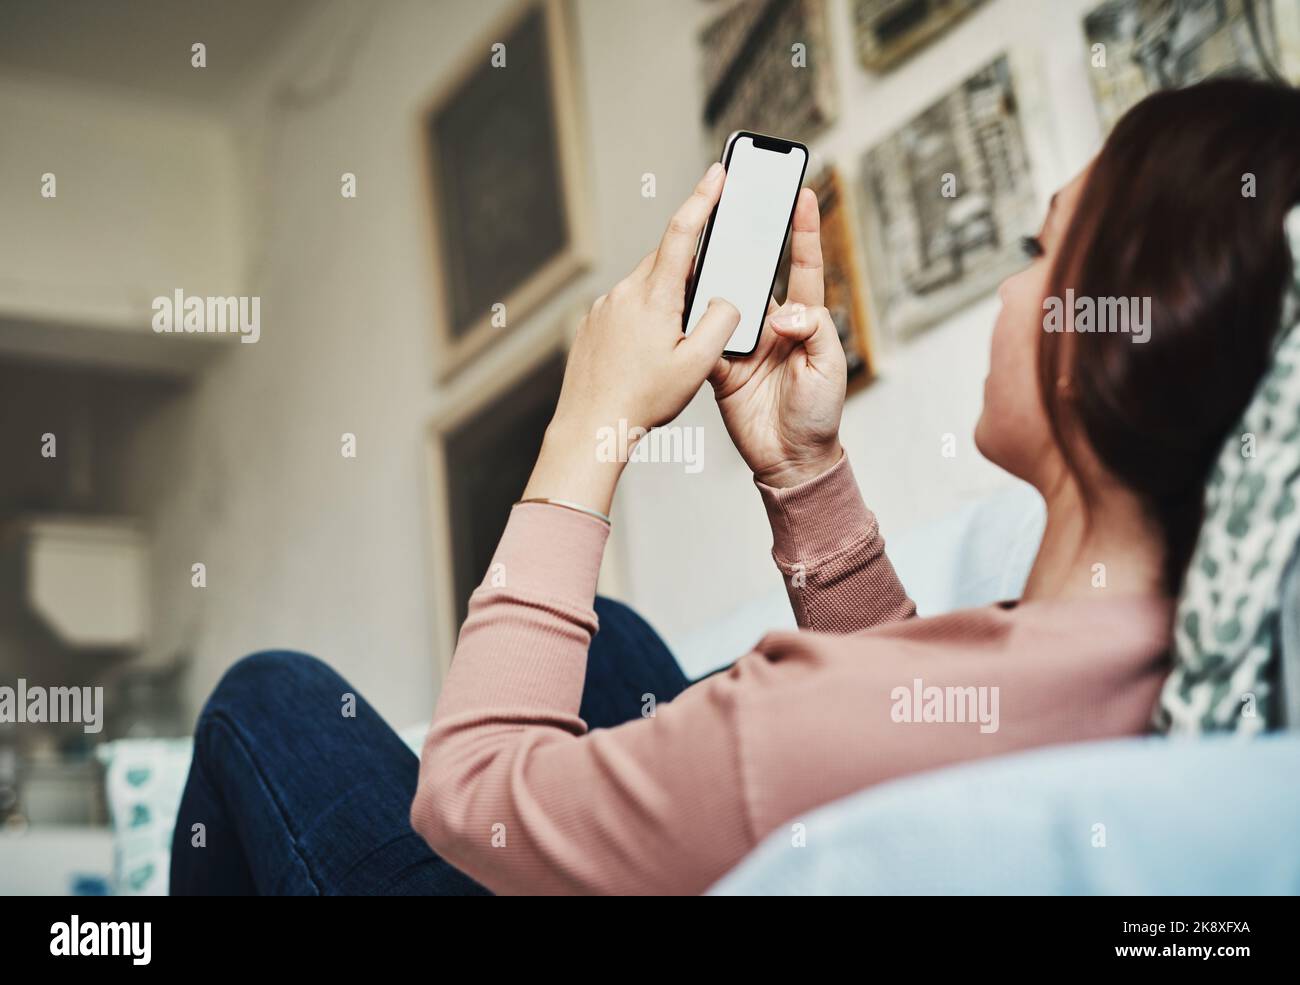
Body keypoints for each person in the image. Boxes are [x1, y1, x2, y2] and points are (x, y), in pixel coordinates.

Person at [172, 78, 1300, 895]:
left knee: (265, 697)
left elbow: (470, 797)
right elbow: (908, 711)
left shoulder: (804, 725)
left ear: (1113, 335)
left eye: (1035, 245)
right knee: (608, 638)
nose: (1011, 288)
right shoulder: (1154, 664)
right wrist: (802, 470)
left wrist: (589, 423)